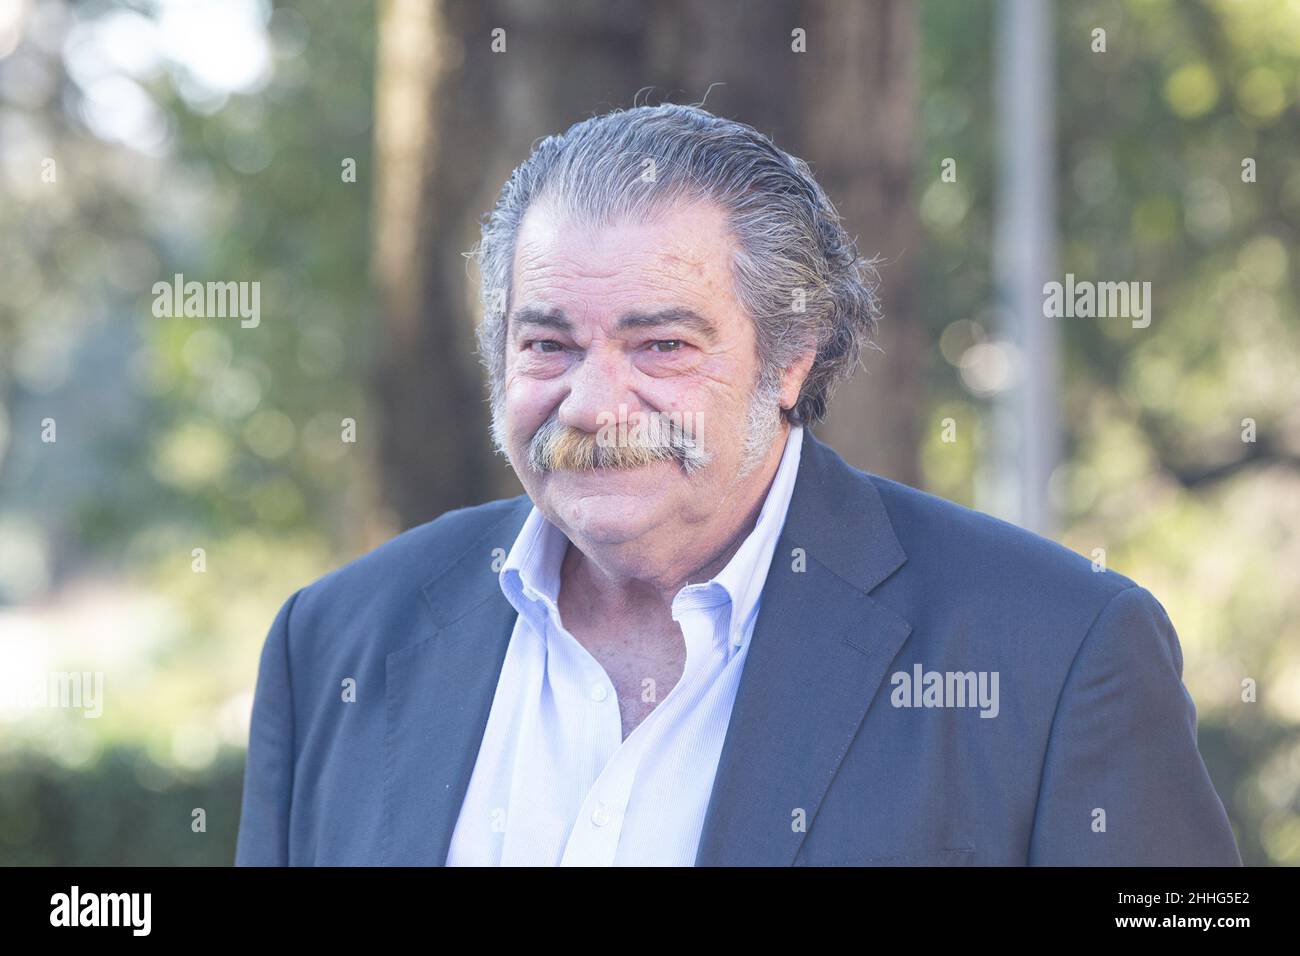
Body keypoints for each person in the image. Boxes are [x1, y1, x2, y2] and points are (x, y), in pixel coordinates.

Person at [235, 104, 1240, 866]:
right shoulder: (332, 643)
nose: (591, 401)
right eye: (547, 343)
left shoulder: (1055, 651)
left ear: (793, 355)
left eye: (661, 344)